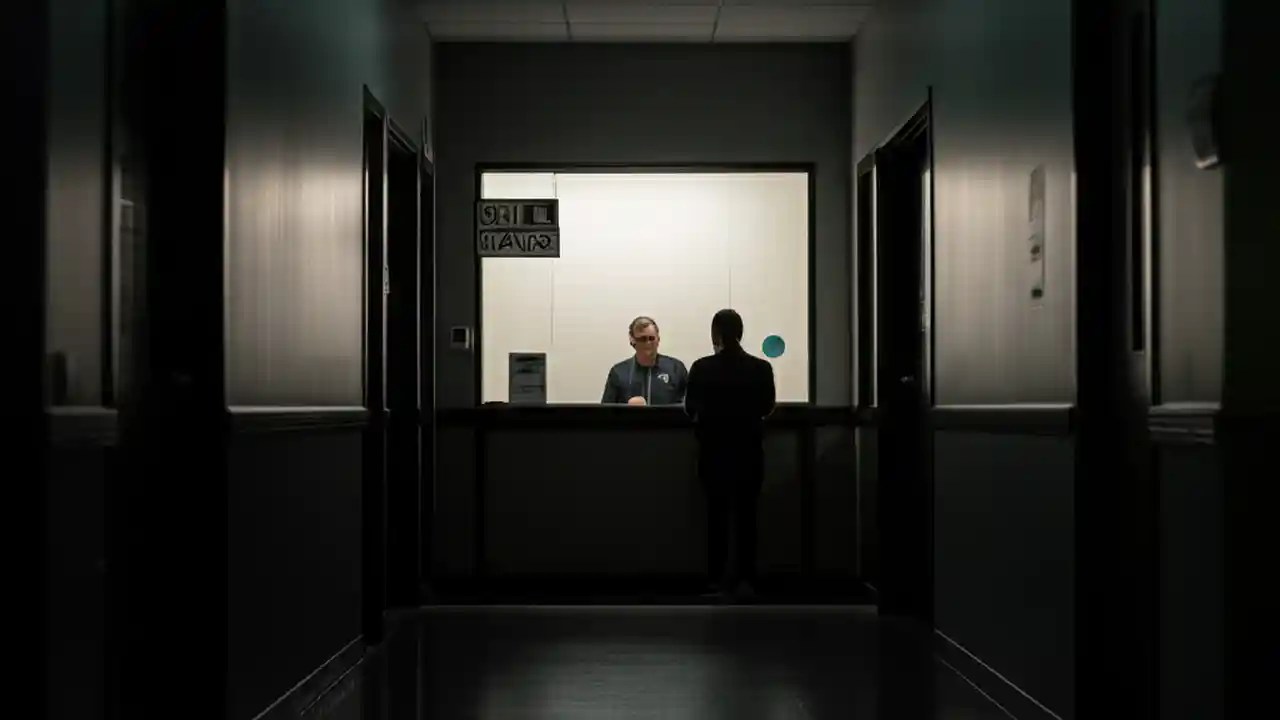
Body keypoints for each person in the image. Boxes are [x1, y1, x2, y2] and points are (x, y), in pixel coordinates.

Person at [683, 308, 776, 602]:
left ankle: (717, 580)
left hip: (714, 451)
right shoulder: (761, 369)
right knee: (747, 518)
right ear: (741, 332)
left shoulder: (701, 367)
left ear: (716, 334)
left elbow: (689, 409)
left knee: (717, 517)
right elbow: (766, 407)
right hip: (748, 451)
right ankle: (746, 578)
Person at [601, 316, 689, 406]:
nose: (648, 343)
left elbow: (691, 406)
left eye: (651, 338)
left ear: (658, 339)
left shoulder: (676, 368)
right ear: (633, 340)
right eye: (642, 339)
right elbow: (606, 413)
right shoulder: (619, 372)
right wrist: (626, 409)